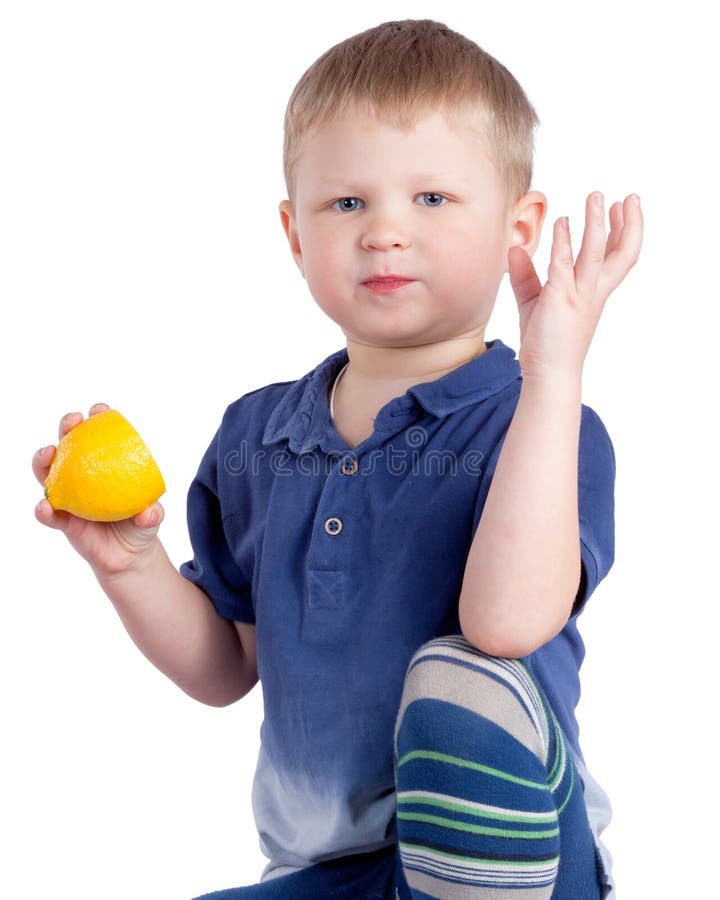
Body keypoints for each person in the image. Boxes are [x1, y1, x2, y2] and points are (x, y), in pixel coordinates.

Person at [32, 18, 642, 900]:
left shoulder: (548, 425)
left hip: (522, 856)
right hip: (328, 869)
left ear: (521, 229)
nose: (385, 232)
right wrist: (131, 564)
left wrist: (554, 370)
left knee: (459, 683)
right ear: (294, 235)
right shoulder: (255, 436)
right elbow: (224, 667)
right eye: (347, 203)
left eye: (432, 199)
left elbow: (505, 628)